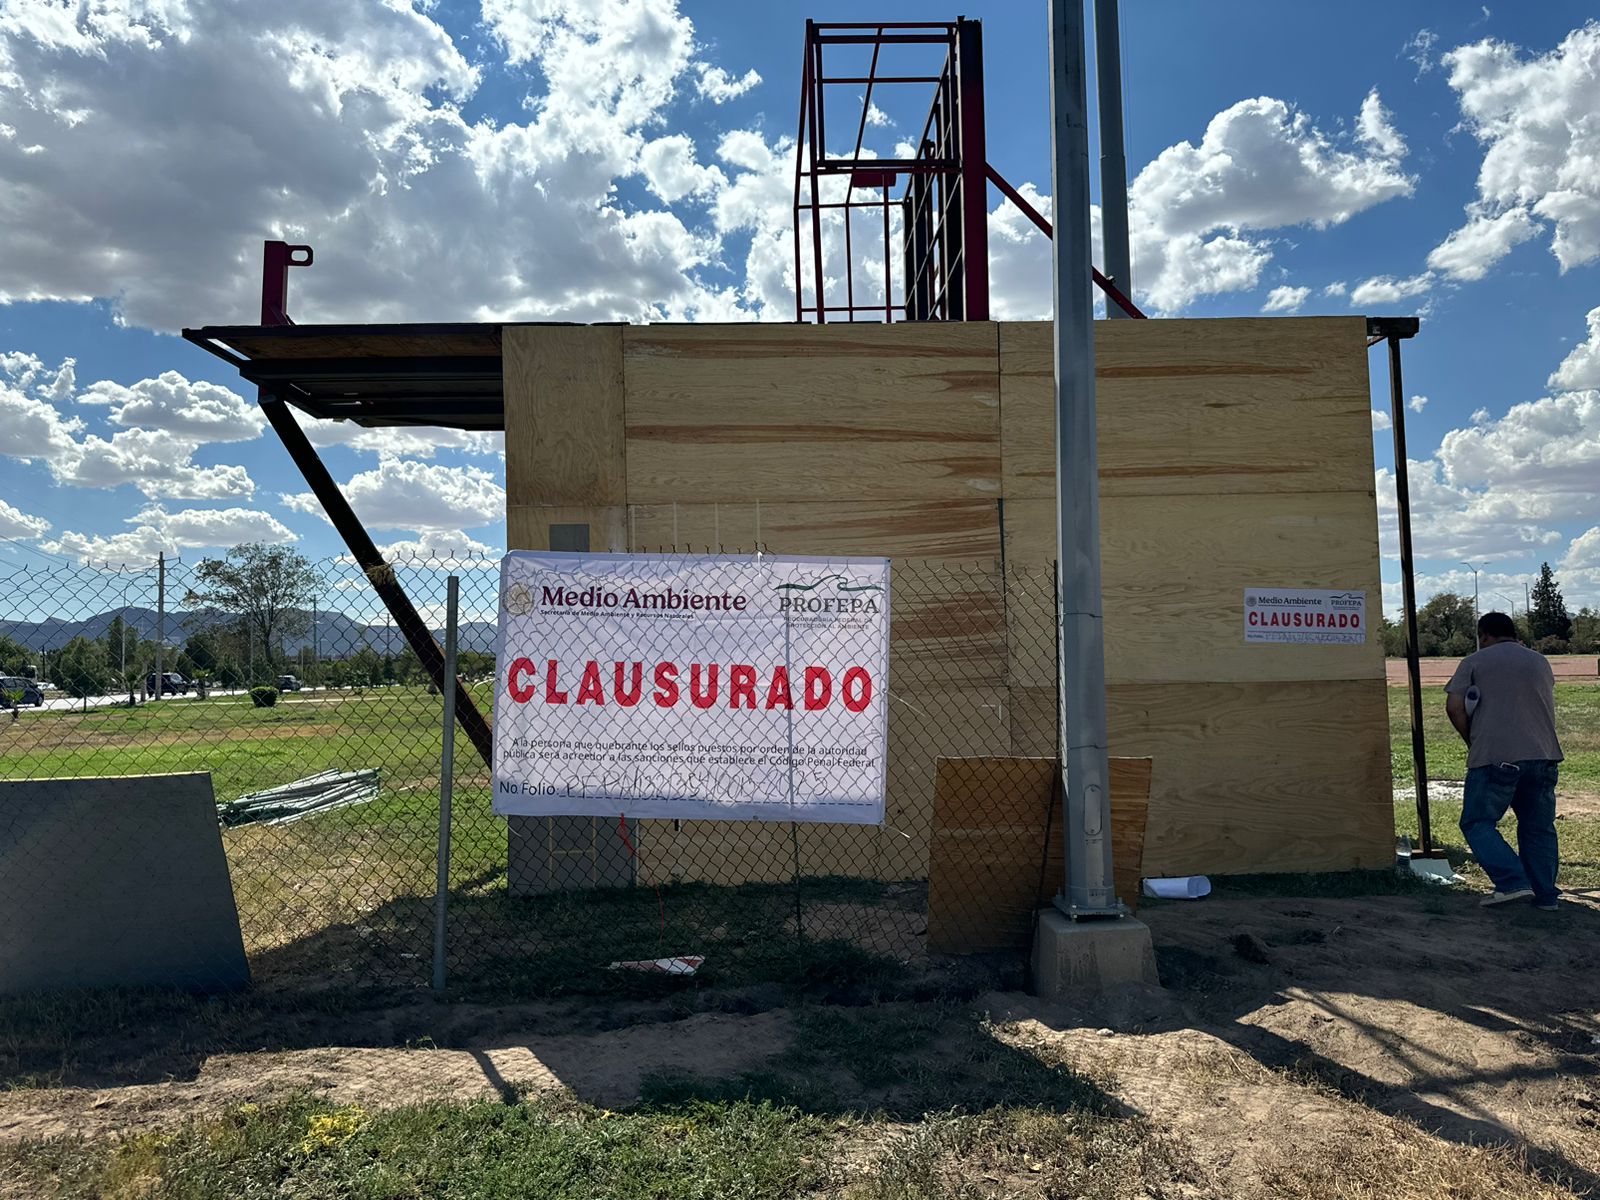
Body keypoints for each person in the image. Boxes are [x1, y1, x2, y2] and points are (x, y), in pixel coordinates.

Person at [1445, 612, 1564, 910]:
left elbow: (1454, 706)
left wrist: (1471, 738)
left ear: (1484, 635)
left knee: (1477, 822)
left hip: (1496, 756)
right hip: (1544, 754)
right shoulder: (1540, 661)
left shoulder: (1474, 661)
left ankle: (1512, 881)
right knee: (1538, 828)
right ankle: (1546, 895)